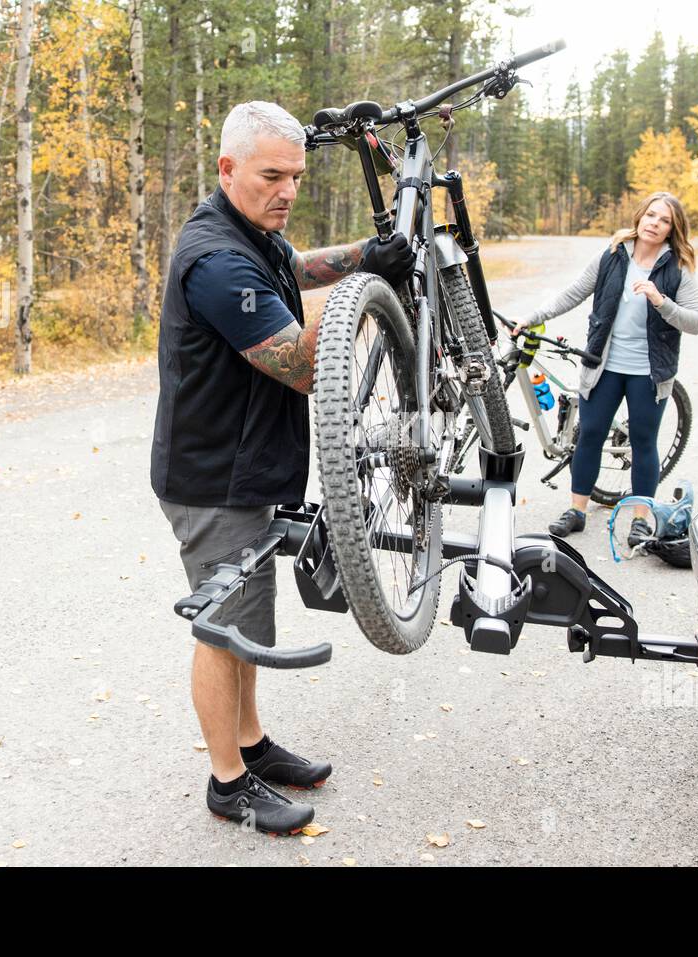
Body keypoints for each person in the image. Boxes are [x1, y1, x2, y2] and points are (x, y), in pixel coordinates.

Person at [151, 101, 414, 835]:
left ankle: (252, 743)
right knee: (221, 627)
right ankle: (227, 781)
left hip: (250, 467)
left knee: (250, 618)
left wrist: (365, 255)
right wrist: (361, 298)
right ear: (227, 168)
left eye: (296, 176)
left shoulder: (254, 231)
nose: (288, 190)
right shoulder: (215, 260)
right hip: (212, 477)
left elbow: (296, 271)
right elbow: (301, 365)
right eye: (272, 175)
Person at [511, 192, 698, 543]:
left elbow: (696, 322)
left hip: (649, 371)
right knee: (590, 434)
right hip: (603, 365)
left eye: (663, 220)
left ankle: (641, 518)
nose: (654, 224)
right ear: (639, 217)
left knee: (643, 443)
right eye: (651, 215)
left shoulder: (676, 269)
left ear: (671, 230)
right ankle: (577, 510)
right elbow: (573, 292)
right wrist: (532, 317)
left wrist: (662, 302)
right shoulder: (613, 255)